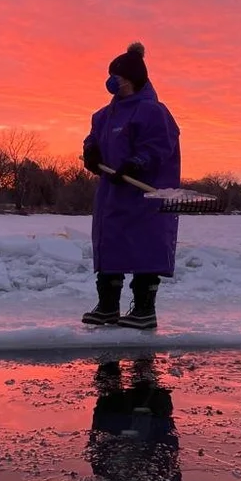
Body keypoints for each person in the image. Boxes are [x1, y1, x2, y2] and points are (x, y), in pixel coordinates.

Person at [82, 42, 181, 330]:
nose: (113, 81)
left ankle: (144, 311)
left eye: (119, 75)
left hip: (145, 195)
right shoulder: (103, 115)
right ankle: (107, 307)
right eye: (112, 74)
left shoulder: (153, 112)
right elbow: (93, 138)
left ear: (133, 78)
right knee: (110, 244)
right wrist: (91, 151)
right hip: (113, 193)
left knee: (145, 247)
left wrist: (137, 162)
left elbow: (160, 145)